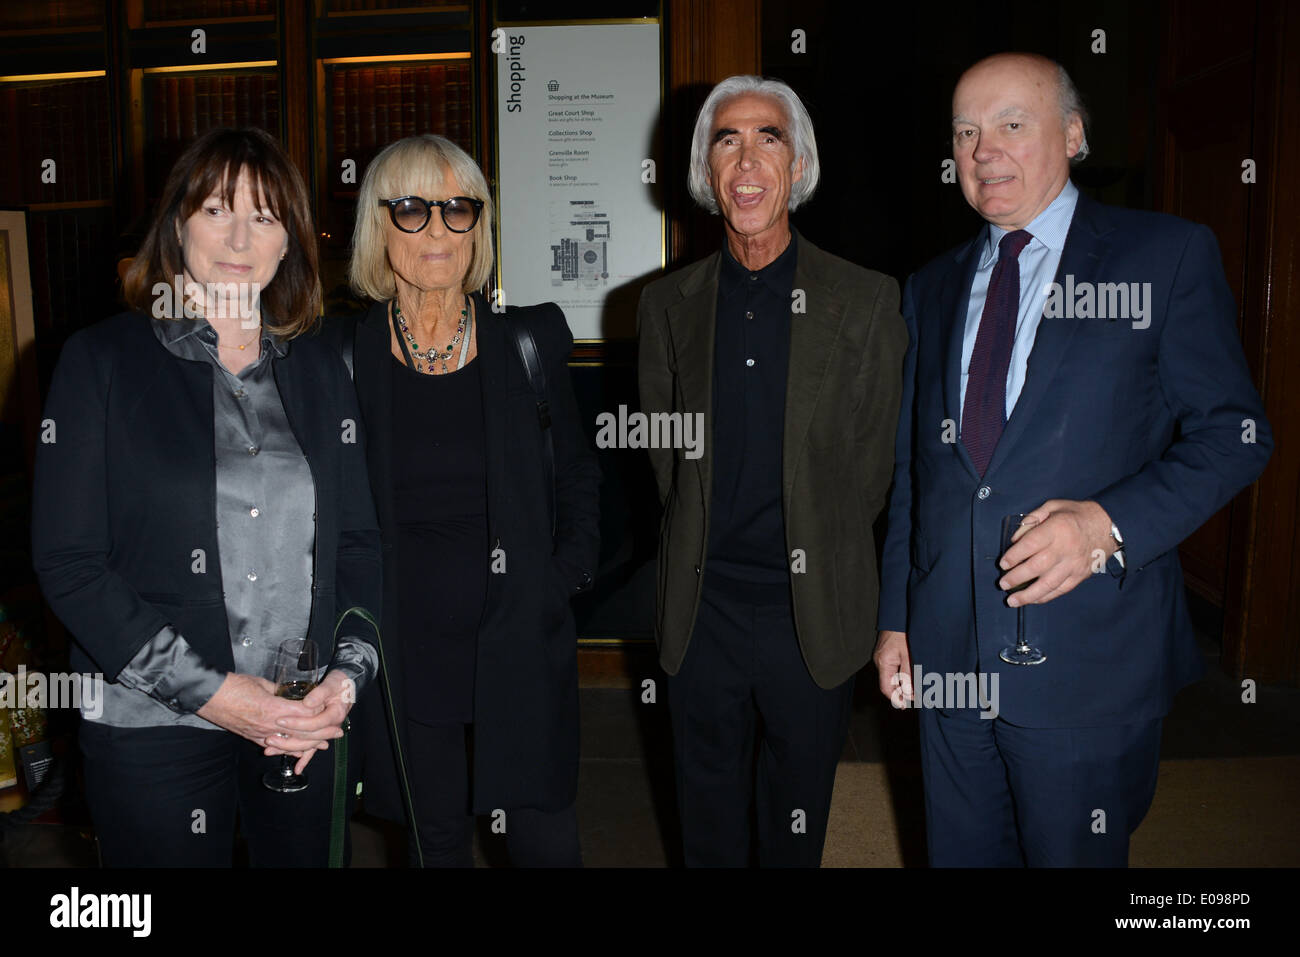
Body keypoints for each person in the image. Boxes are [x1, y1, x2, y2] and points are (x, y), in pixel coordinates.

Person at [873, 53, 1274, 866]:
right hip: (949, 657)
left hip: (1089, 659)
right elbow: (918, 474)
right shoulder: (931, 286)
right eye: (966, 130)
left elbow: (1236, 433)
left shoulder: (1163, 257)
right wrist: (896, 619)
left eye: (1013, 123)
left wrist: (1106, 522)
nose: (985, 150)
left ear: (1075, 133)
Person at [31, 127, 382, 867]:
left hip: (300, 721)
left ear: (289, 241)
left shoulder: (322, 367)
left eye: (264, 215)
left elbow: (357, 546)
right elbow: (70, 563)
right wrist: (215, 693)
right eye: (218, 208)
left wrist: (345, 681)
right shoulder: (100, 362)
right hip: (150, 727)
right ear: (177, 224)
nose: (239, 235)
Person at [637, 76, 907, 867]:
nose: (747, 159)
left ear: (798, 166)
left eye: (769, 138)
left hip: (811, 614)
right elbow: (664, 457)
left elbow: (871, 470)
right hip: (703, 610)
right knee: (707, 828)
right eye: (727, 140)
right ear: (706, 171)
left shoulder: (862, 301)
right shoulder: (665, 304)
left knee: (795, 827)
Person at [329, 134, 600, 867]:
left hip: (517, 639)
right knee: (434, 842)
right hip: (407, 651)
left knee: (544, 840)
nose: (440, 229)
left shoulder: (528, 340)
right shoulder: (342, 356)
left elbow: (577, 476)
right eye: (412, 209)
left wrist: (556, 579)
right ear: (378, 229)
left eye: (458, 208)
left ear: (479, 222)